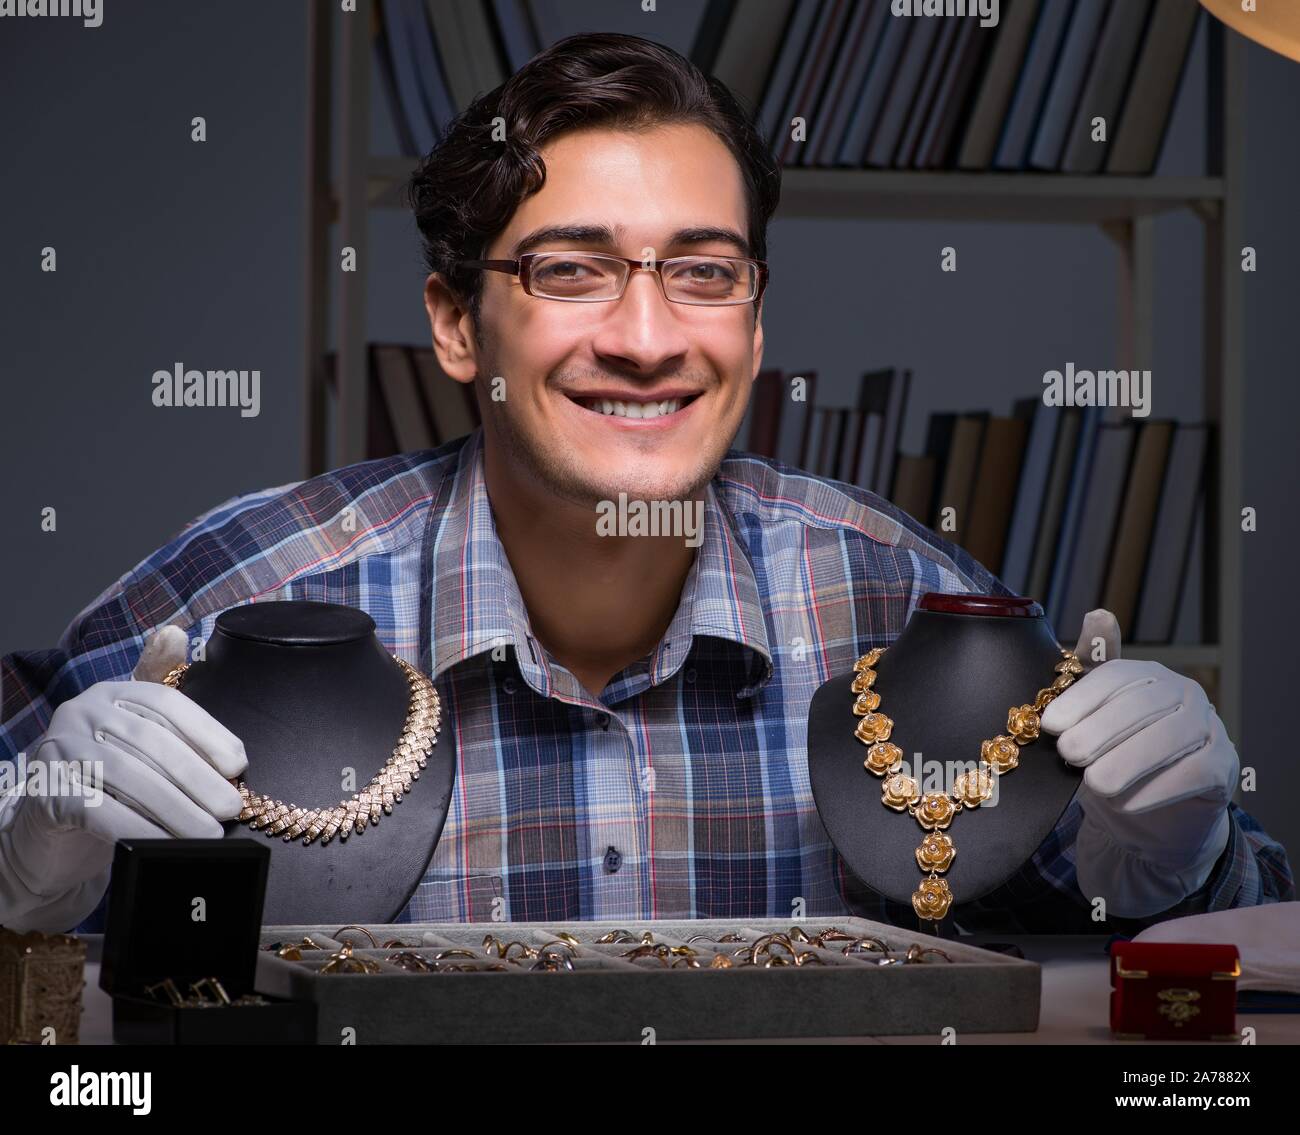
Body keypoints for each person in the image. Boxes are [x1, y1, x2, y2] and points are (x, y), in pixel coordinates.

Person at [0, 33, 1290, 937]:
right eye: (571, 270)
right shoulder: (249, 588)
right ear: (456, 325)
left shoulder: (900, 595)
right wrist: (28, 850)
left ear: (757, 321)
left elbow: (1199, 939)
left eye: (703, 271)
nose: (648, 336)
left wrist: (1181, 859)